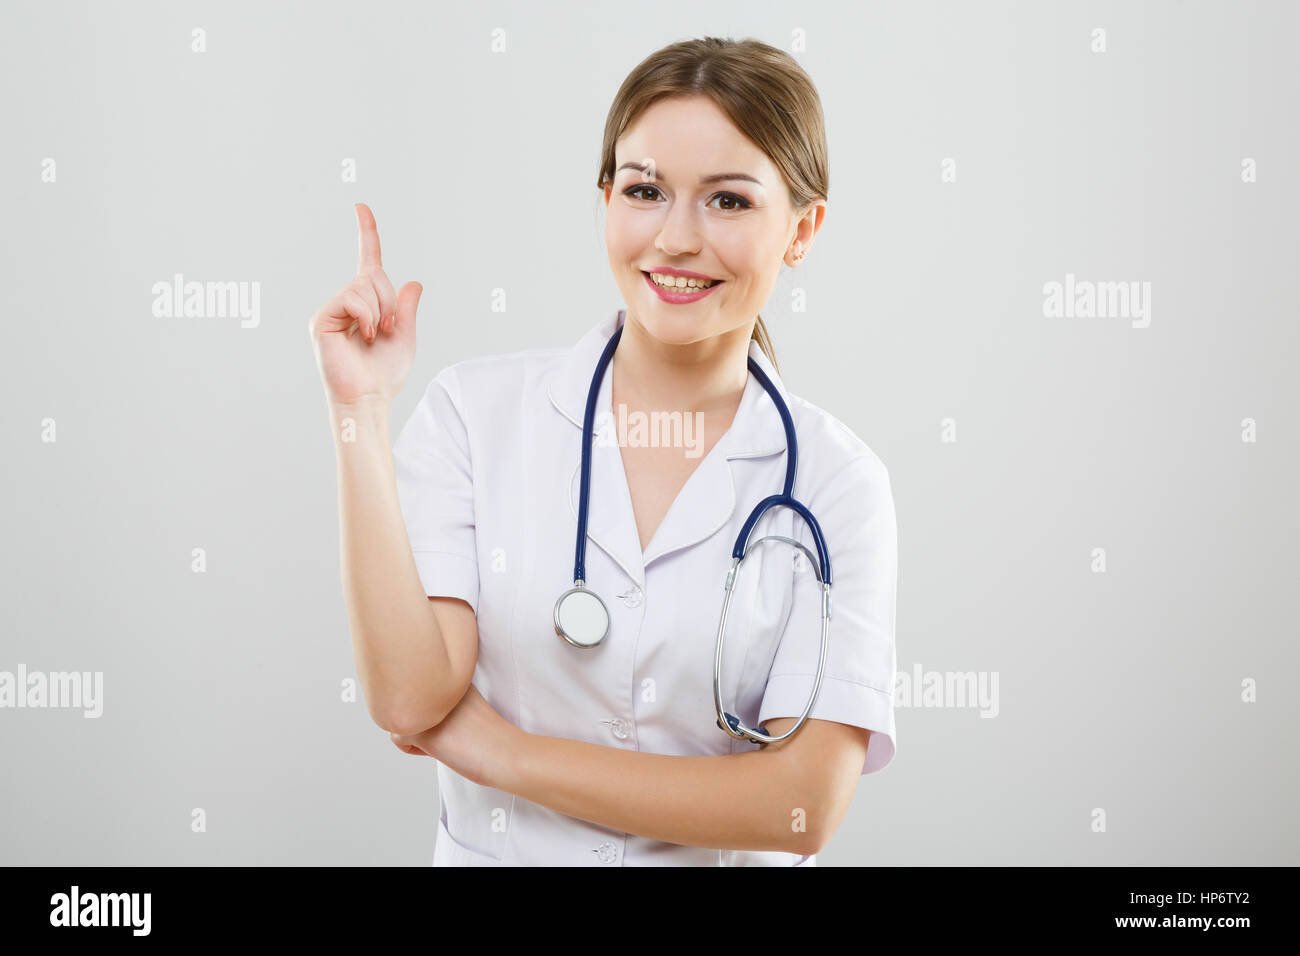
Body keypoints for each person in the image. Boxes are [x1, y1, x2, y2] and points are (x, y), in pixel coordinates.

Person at [307, 36, 898, 866]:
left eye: (728, 201)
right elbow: (411, 694)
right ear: (607, 198)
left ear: (803, 229)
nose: (677, 239)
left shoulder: (838, 484)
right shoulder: (476, 415)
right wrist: (360, 412)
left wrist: (503, 754)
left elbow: (800, 806)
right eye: (645, 190)